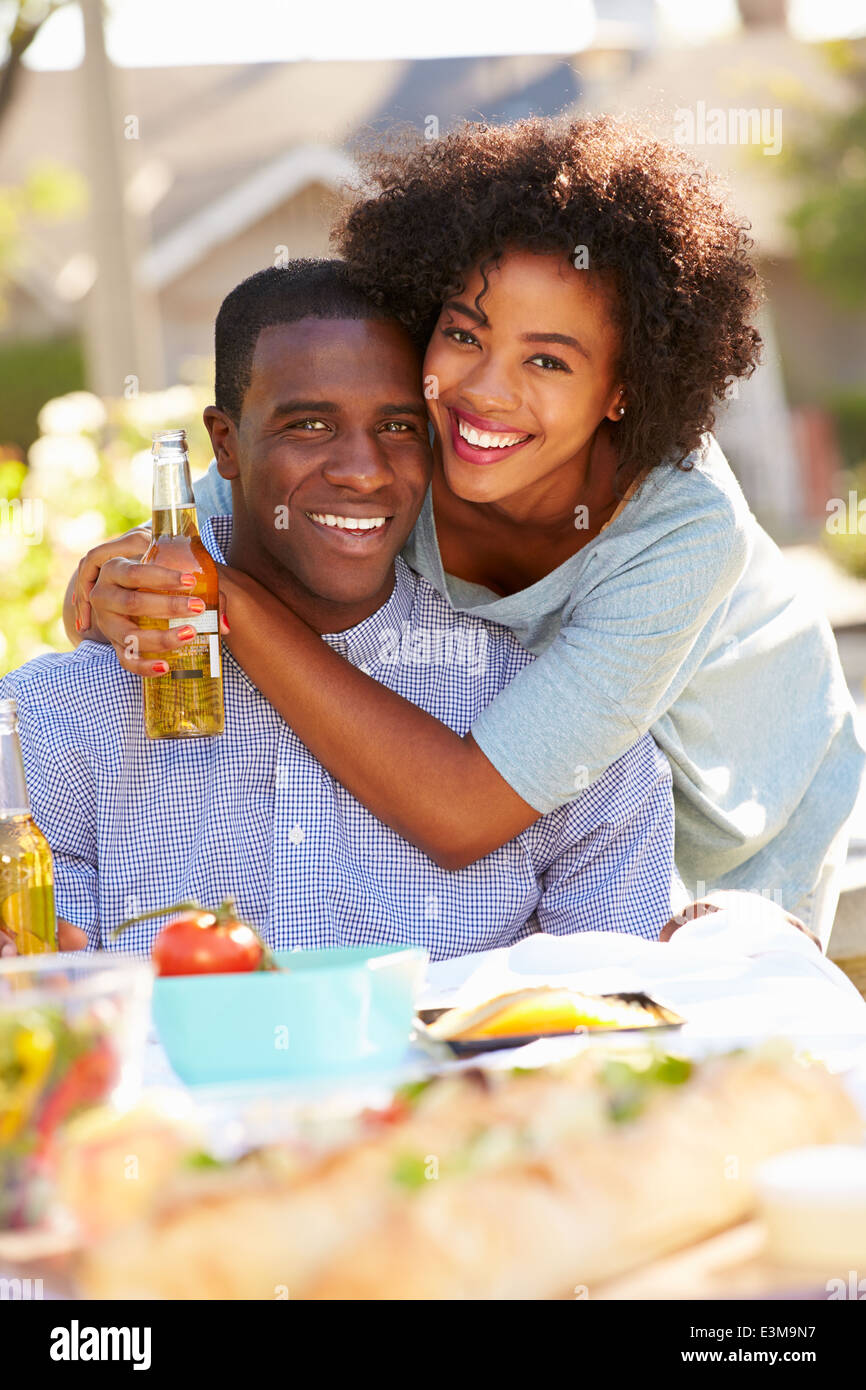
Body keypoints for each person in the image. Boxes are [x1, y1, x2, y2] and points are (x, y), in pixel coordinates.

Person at [69, 116, 863, 948]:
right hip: (553, 794)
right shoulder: (397, 449)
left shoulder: (681, 531)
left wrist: (230, 600)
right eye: (464, 335)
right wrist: (118, 588)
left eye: (548, 361)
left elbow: (464, 811)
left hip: (738, 783)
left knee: (703, 1001)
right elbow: (197, 541)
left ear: (623, 388)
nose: (486, 392)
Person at [2, 261, 682, 959]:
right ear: (226, 444)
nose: (362, 469)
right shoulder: (54, 727)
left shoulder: (555, 732)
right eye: (310, 425)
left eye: (397, 425)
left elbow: (615, 1022)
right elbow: (59, 1014)